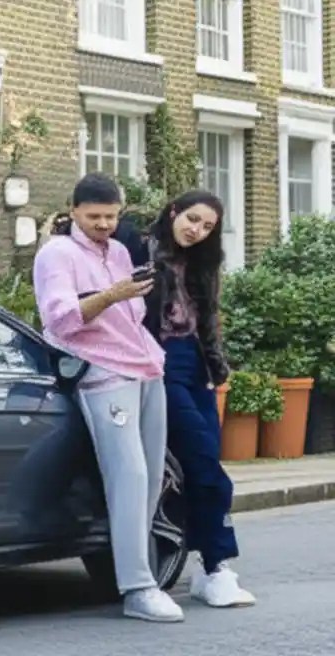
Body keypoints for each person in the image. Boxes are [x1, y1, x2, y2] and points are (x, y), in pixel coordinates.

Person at [32, 173, 182, 623]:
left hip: (144, 365)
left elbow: (132, 314)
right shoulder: (56, 254)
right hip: (101, 372)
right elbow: (60, 319)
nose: (103, 224)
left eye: (111, 216)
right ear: (74, 211)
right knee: (130, 477)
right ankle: (137, 587)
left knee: (153, 476)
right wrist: (112, 295)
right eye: (94, 216)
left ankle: (144, 574)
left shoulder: (118, 251)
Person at [134, 189, 255, 608]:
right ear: (173, 211)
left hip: (196, 369)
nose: (196, 230)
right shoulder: (141, 250)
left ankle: (208, 568)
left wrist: (217, 369)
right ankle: (217, 566)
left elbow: (208, 320)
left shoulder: (203, 264)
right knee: (205, 466)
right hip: (157, 365)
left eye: (207, 227)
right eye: (192, 219)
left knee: (205, 465)